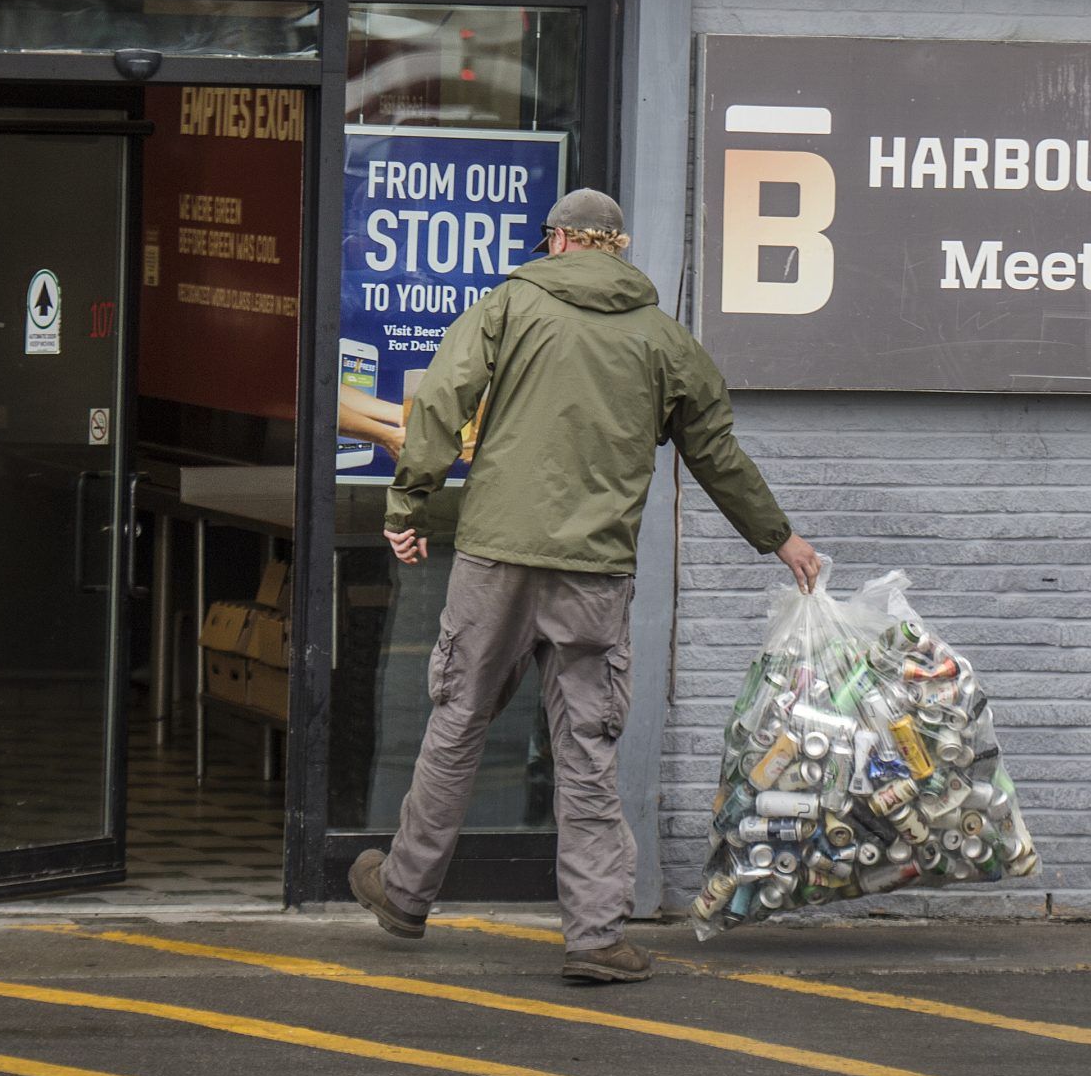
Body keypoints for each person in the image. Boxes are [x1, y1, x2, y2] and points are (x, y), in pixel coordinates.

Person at [350, 187, 820, 984]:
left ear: (560, 241)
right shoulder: (666, 341)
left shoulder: (509, 307)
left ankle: (405, 891)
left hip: (497, 555)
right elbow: (717, 455)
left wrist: (409, 502)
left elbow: (438, 399)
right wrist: (780, 538)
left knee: (458, 717)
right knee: (587, 747)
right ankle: (596, 936)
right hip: (594, 572)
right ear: (619, 246)